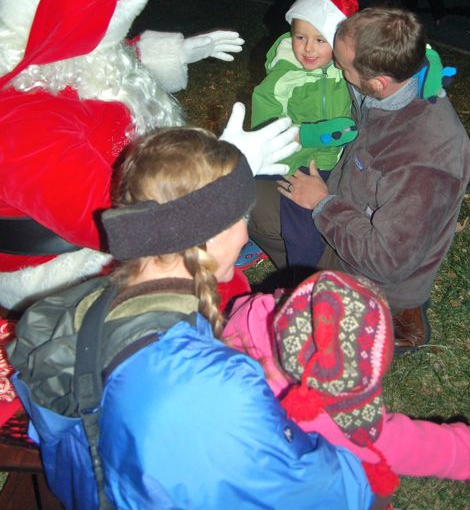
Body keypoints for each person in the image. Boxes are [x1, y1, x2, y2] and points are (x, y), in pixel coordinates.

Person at [8, 128, 375, 510]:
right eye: (242, 217)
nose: (245, 234)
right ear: (208, 234)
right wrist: (345, 415)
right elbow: (327, 495)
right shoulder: (212, 388)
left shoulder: (85, 305)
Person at [0, 0, 299, 313]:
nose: (116, 47)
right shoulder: (25, 128)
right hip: (68, 266)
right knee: (220, 288)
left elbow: (107, 67)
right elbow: (129, 228)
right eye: (105, 35)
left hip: (124, 224)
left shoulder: (51, 67)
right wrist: (225, 174)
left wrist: (175, 53)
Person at [249, 6, 470, 353]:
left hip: (370, 269)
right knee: (241, 195)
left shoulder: (427, 159)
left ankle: (388, 308)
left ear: (377, 82)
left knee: (292, 333)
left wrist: (322, 203)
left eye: (342, 66)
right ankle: (310, 279)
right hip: (344, 207)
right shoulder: (390, 77)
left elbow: (387, 261)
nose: (336, 69)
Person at [224, 270, 470, 496]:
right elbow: (396, 445)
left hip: (220, 440)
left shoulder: (254, 312)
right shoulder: (324, 414)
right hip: (262, 484)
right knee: (356, 487)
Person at [251, 0, 359, 268]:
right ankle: (302, 277)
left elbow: (393, 51)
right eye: (300, 37)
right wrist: (308, 134)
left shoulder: (345, 66)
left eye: (320, 40)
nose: (308, 49)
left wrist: (428, 66)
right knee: (302, 223)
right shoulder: (284, 76)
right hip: (295, 161)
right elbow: (266, 125)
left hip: (336, 160)